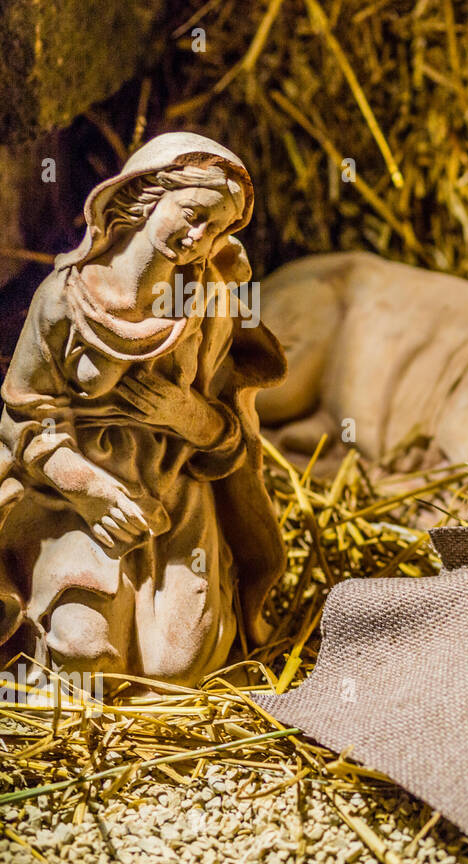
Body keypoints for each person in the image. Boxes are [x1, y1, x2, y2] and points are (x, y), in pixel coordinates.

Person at [0, 132, 286, 687]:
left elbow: (229, 438)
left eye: (217, 228)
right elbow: (23, 417)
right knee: (85, 660)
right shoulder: (63, 298)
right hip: (75, 501)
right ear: (146, 196)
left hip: (175, 498)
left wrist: (188, 416)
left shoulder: (205, 308)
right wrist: (87, 487)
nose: (200, 236)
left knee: (178, 669)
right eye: (193, 213)